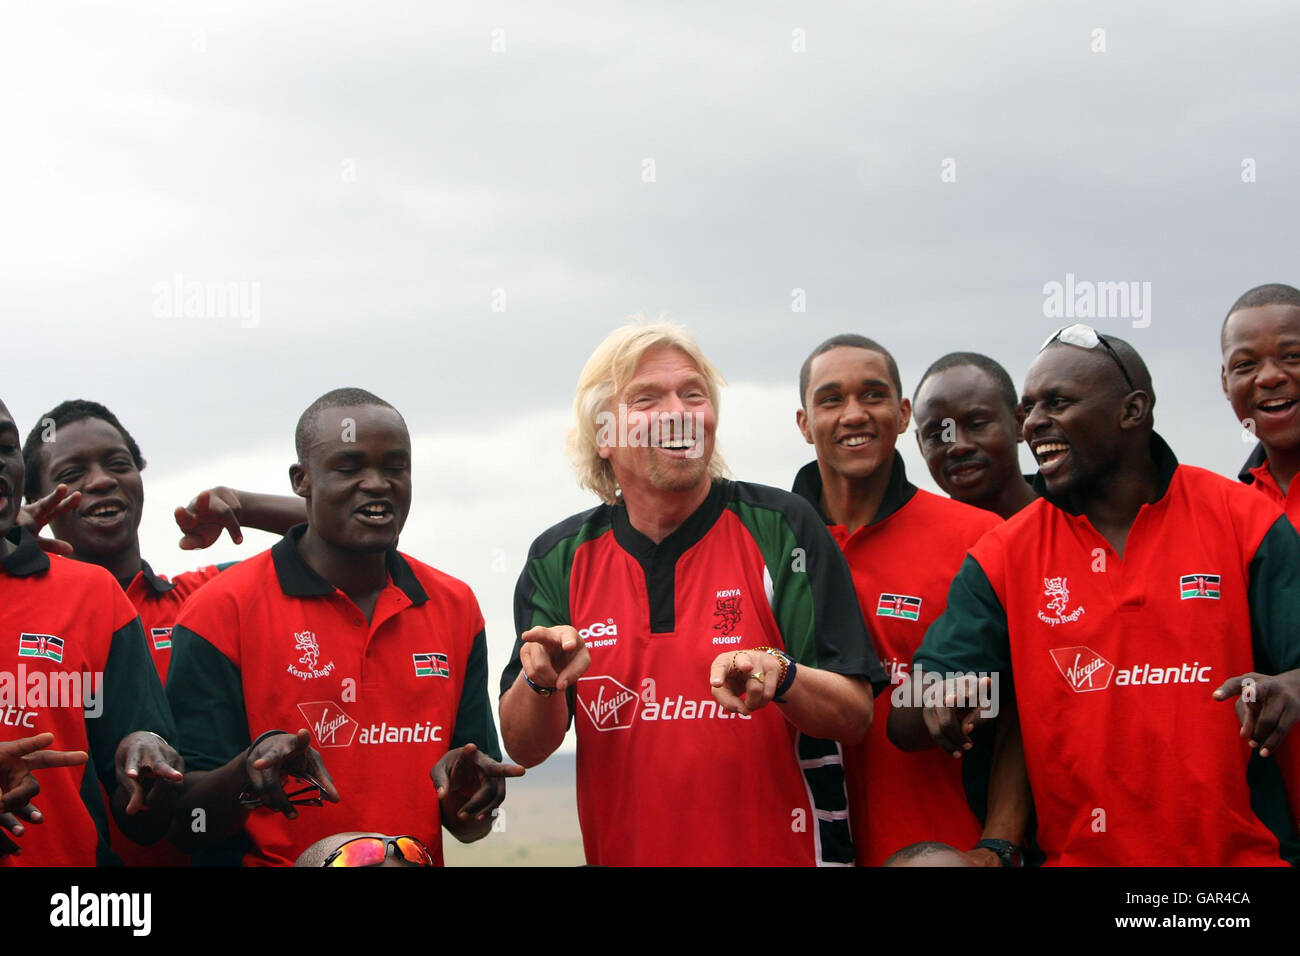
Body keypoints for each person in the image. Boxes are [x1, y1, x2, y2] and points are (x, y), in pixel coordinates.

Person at [889, 326, 1300, 866]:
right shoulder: (1003, 554)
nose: (1034, 423)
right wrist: (940, 697)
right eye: (1029, 408)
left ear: (1132, 411)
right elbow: (905, 717)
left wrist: (1291, 684)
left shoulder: (1243, 519)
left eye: (1057, 403)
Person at [498, 322, 885, 866]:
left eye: (693, 394)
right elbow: (524, 748)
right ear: (604, 436)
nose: (679, 410)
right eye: (647, 398)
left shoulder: (783, 527)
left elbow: (855, 715)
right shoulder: (558, 558)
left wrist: (783, 673)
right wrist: (541, 682)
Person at [165, 388, 521, 866]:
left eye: (395, 467)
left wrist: (472, 794)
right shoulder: (221, 610)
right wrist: (250, 770)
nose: (377, 484)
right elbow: (183, 823)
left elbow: (466, 826)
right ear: (302, 480)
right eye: (349, 468)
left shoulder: (454, 605)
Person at [19, 398, 305, 866]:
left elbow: (345, 535)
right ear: (38, 500)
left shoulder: (201, 600)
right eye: (72, 474)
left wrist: (243, 505)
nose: (102, 480)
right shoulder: (20, 623)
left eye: (118, 464)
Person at [793, 334, 1030, 867]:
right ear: (805, 423)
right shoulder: (771, 543)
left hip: (942, 848)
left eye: (873, 396)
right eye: (831, 399)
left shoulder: (978, 536)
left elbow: (1022, 705)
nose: (854, 414)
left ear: (902, 415)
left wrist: (998, 843)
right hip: (804, 849)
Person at [0, 398, 184, 866]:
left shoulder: (91, 594)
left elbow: (144, 823)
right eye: (73, 471)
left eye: (4, 447)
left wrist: (149, 765)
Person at [1220, 282, 1300, 828]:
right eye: (1246, 364)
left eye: (1293, 356)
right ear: (1225, 383)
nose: (1269, 376)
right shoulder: (1230, 511)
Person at [912, 352, 1037, 519]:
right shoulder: (921, 543)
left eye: (977, 425)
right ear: (921, 445)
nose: (958, 447)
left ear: (1020, 422)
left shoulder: (1076, 521)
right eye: (939, 435)